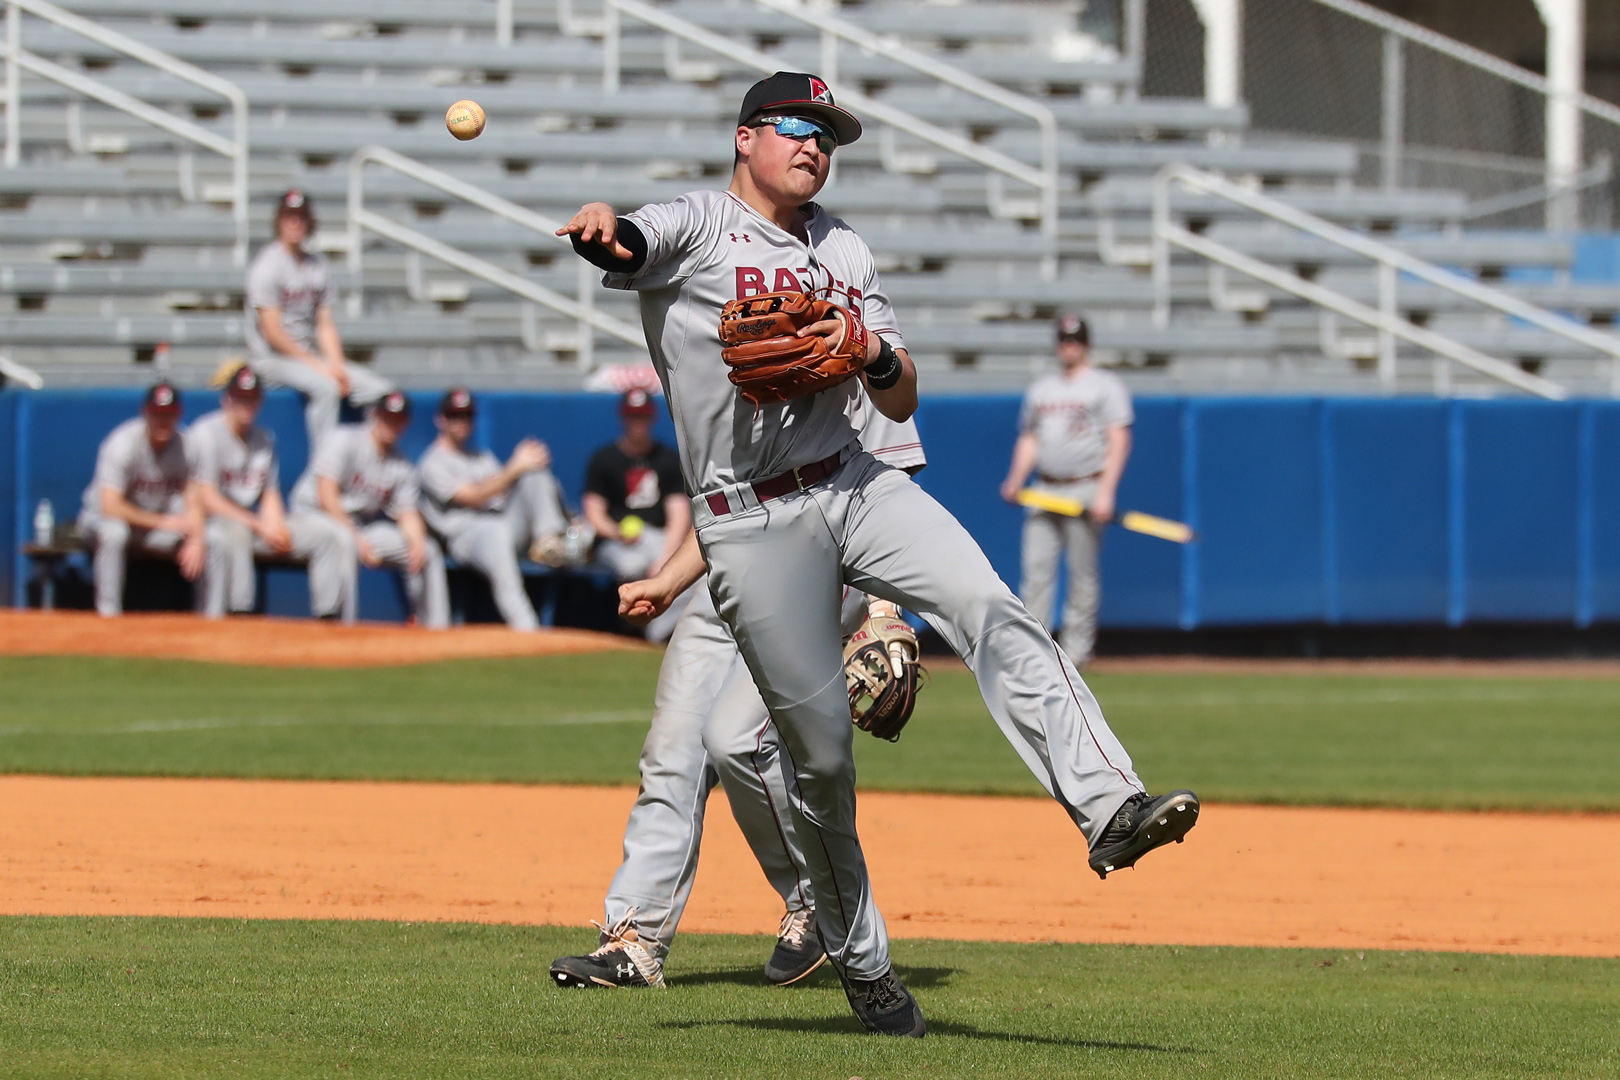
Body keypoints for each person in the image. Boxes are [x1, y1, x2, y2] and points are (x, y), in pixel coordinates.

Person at [555, 71, 1198, 1037]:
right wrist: (606, 230)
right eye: (796, 126)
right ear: (745, 136)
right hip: (749, 525)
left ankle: (1109, 805)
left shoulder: (844, 247)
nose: (815, 144)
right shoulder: (698, 224)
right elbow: (632, 241)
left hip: (854, 481)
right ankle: (863, 965)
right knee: (817, 764)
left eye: (828, 134)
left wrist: (871, 352)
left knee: (988, 602)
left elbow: (900, 396)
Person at [548, 403, 924, 992]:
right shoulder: (715, 368)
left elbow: (888, 493)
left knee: (739, 742)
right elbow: (724, 502)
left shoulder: (853, 360)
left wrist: (882, 603)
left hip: (813, 576)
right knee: (670, 753)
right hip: (721, 572)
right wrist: (670, 579)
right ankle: (635, 939)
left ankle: (816, 901)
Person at [999, 314, 1134, 668]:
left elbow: (1119, 438)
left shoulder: (1105, 386)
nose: (1068, 347)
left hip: (1084, 486)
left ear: (1086, 344)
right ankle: (1036, 652)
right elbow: (1030, 438)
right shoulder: (1043, 389)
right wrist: (1016, 478)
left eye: (1074, 340)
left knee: (1082, 575)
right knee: (1036, 573)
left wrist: (1106, 491)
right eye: (1063, 340)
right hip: (1045, 488)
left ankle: (1076, 654)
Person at [189, 364, 355, 621]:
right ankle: (239, 613)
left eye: (252, 398)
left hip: (252, 523)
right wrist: (259, 524)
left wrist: (276, 525)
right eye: (241, 397)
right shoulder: (206, 433)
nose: (246, 404)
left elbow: (269, 494)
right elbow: (206, 498)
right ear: (227, 399)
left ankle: (328, 617)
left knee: (325, 535)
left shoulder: (264, 438)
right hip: (216, 523)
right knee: (236, 533)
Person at [246, 189, 393, 451]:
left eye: (301, 217)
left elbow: (325, 325)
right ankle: (323, 469)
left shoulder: (317, 266)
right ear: (279, 221)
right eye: (289, 217)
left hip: (308, 358)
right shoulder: (268, 265)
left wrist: (336, 365)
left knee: (380, 392)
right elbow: (272, 332)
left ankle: (365, 460)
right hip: (271, 360)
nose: (295, 223)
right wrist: (319, 367)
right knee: (326, 388)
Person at [288, 391, 448, 629]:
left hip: (358, 527)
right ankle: (343, 628)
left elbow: (408, 513)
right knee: (344, 542)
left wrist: (416, 541)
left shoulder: (401, 465)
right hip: (312, 517)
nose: (390, 423)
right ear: (374, 416)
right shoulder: (345, 439)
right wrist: (356, 538)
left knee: (428, 549)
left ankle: (437, 629)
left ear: (406, 423)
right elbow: (326, 495)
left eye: (397, 418)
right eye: (386, 416)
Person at [417, 388, 570, 632]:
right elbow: (472, 497)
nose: (462, 421)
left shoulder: (480, 456)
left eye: (467, 415)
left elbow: (503, 492)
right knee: (496, 532)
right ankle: (528, 630)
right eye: (455, 415)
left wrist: (528, 462)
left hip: (502, 523)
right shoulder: (432, 462)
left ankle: (549, 539)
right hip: (466, 536)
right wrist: (514, 467)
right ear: (441, 419)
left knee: (534, 473)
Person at [77, 382, 207, 618]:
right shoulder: (122, 443)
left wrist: (196, 539)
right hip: (102, 520)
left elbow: (194, 500)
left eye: (168, 414)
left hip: (152, 527)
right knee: (115, 533)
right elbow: (110, 506)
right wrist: (163, 522)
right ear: (145, 412)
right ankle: (109, 615)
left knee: (209, 539)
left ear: (178, 414)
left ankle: (209, 620)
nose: (162, 420)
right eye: (157, 413)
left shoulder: (187, 445)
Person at [582, 388, 691, 641]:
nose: (638, 423)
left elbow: (679, 514)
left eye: (642, 416)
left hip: (657, 537)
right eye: (633, 416)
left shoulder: (666, 459)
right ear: (623, 417)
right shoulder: (604, 459)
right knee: (631, 565)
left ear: (652, 418)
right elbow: (594, 512)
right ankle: (634, 626)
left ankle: (657, 632)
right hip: (616, 541)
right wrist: (616, 532)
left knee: (687, 571)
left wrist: (667, 557)